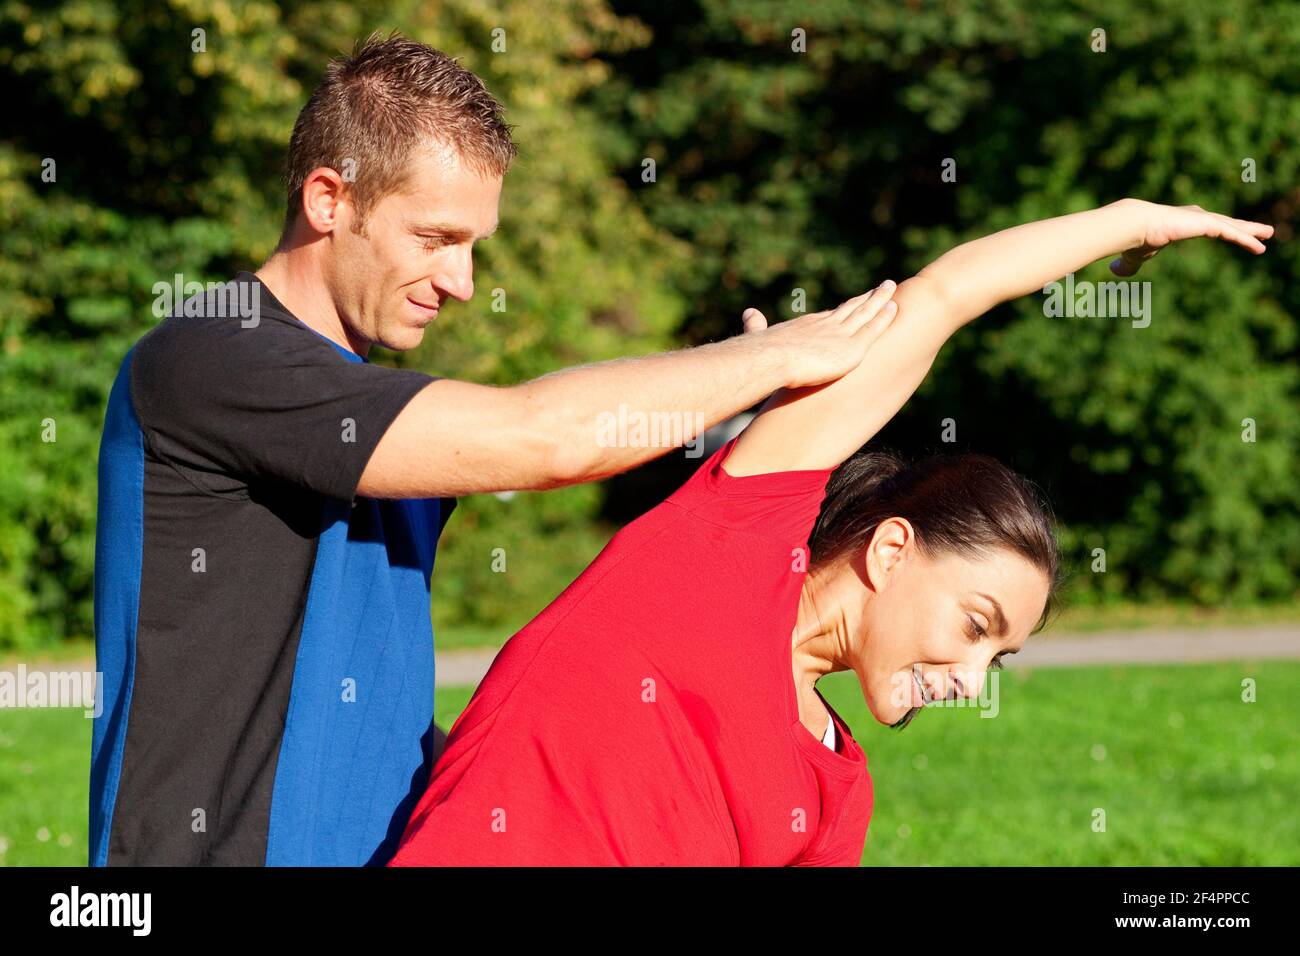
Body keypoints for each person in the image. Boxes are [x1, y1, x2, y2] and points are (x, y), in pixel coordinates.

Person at [89, 34, 889, 866]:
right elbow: (546, 438)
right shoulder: (212, 357)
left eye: (475, 245)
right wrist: (771, 356)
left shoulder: (366, 410)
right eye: (435, 238)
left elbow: (378, 687)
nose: (463, 282)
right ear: (329, 199)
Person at [389, 199, 1272, 866]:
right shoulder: (731, 546)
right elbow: (945, 297)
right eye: (975, 627)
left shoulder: (837, 792)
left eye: (994, 660)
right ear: (891, 551)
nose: (972, 682)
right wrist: (1126, 220)